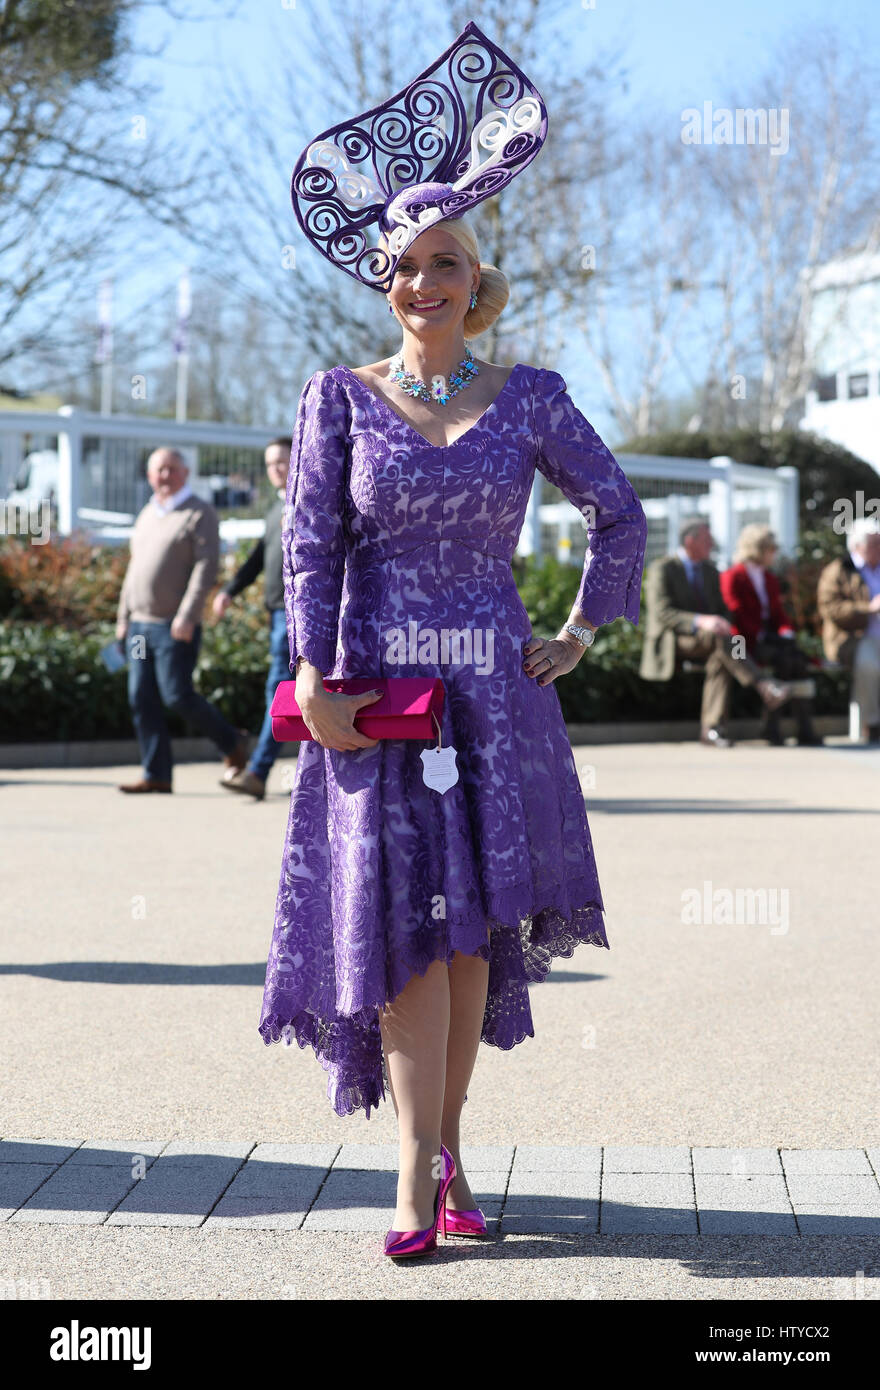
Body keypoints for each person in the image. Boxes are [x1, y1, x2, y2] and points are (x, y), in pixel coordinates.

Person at [259, 20, 648, 1260]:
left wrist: (586, 625)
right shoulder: (338, 396)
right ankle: (417, 1168)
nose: (422, 282)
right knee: (400, 929)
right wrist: (313, 673)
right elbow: (310, 544)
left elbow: (617, 510)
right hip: (375, 695)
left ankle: (448, 1153)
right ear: (384, 283)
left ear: (476, 277)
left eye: (443, 263)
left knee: (469, 930)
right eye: (402, 267)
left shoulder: (527, 394)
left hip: (495, 698)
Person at [115, 447, 249, 793]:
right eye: (159, 470)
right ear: (149, 476)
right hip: (141, 627)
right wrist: (123, 618)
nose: (165, 476)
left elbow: (206, 569)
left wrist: (187, 615)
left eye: (172, 469)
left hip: (173, 624)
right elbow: (134, 570)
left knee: (177, 695)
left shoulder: (199, 513)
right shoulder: (147, 514)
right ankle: (156, 774)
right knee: (141, 697)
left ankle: (231, 741)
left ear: (185, 474)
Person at [639, 517, 794, 747]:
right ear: (690, 541)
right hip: (673, 639)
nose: (712, 544)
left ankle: (711, 731)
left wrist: (720, 621)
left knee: (719, 657)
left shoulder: (711, 571)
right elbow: (663, 613)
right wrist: (702, 621)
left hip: (712, 640)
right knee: (718, 637)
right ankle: (763, 684)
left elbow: (724, 611)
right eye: (707, 539)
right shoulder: (663, 568)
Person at [212, 436, 294, 800]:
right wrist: (230, 589)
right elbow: (258, 559)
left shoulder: (311, 500)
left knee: (281, 690)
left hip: (301, 614)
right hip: (278, 613)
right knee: (285, 691)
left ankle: (258, 771)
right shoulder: (274, 509)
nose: (276, 469)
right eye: (270, 464)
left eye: (282, 461)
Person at [720, 524, 823, 746]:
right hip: (742, 641)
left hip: (768, 638)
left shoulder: (768, 578)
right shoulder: (733, 576)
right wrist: (758, 635)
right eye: (771, 548)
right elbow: (734, 612)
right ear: (758, 549)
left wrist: (785, 631)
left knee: (797, 662)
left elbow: (778, 613)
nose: (774, 553)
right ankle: (773, 727)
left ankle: (799, 728)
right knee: (786, 661)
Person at [817, 516, 880, 743]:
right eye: (874, 543)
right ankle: (872, 724)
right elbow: (831, 610)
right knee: (869, 665)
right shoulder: (837, 571)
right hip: (851, 639)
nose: (879, 548)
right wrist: (869, 608)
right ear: (856, 546)